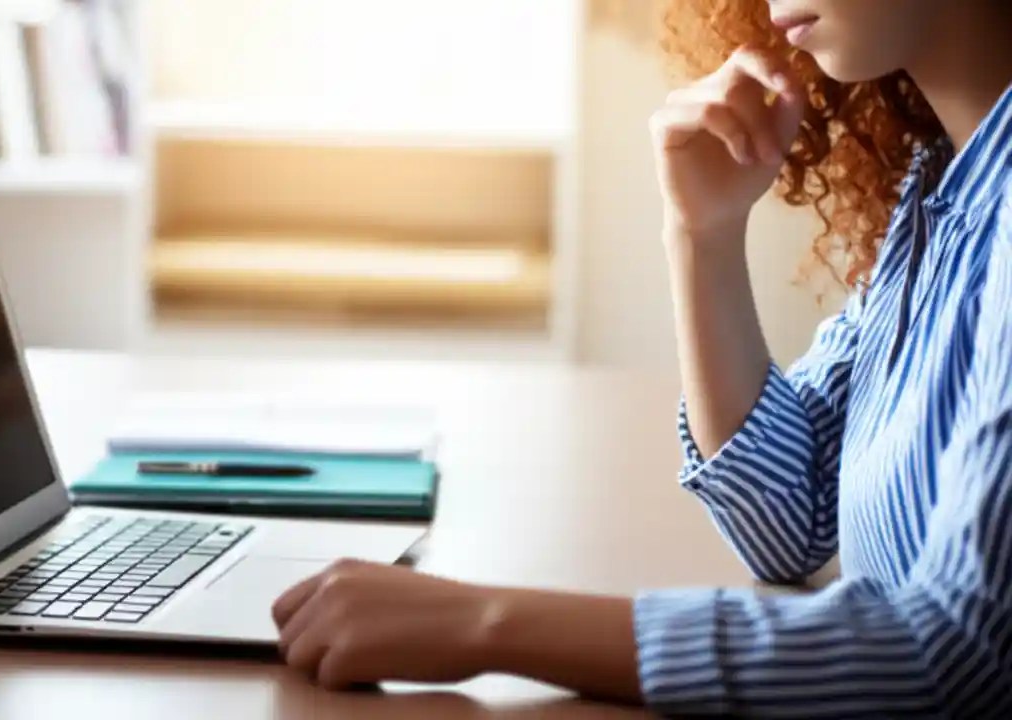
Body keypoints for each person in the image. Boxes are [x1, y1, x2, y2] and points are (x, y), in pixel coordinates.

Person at [270, 0, 1012, 715]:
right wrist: (703, 236)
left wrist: (483, 622)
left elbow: (960, 653)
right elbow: (793, 515)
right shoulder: (945, 188)